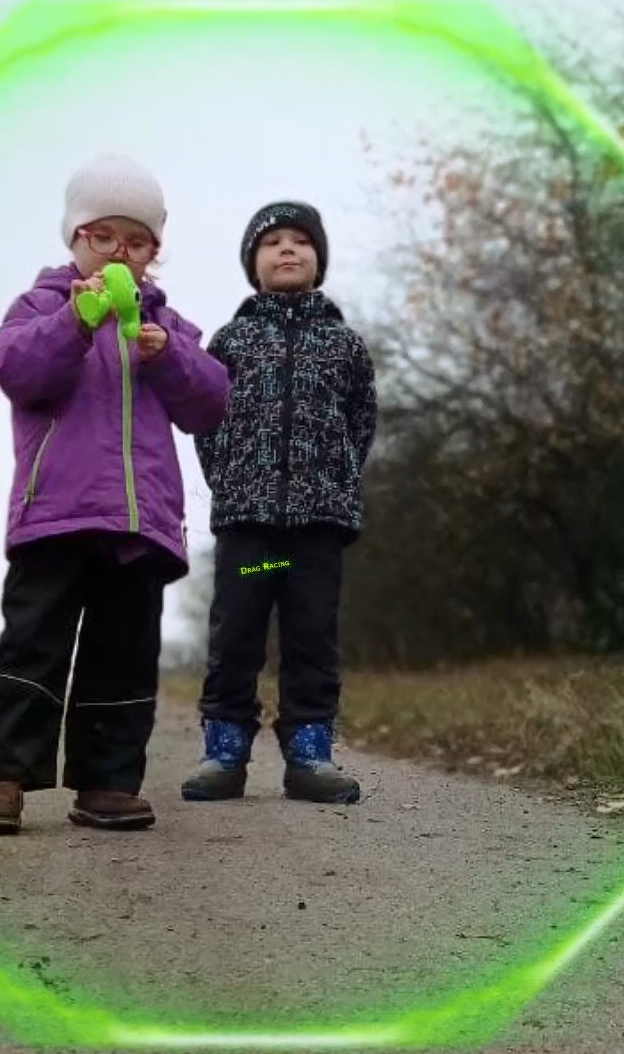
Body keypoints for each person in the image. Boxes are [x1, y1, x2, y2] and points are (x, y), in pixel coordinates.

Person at [0, 153, 231, 834]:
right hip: (55, 515)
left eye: (136, 241)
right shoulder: (43, 305)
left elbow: (210, 402)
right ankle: (3, 781)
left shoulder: (168, 326)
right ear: (76, 238)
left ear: (153, 255)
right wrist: (76, 323)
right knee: (34, 647)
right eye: (103, 235)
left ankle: (108, 784)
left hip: (140, 525)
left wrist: (166, 353)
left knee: (123, 656)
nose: (120, 251)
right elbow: (14, 367)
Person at [186, 201, 377, 804]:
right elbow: (206, 424)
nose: (287, 250)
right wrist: (236, 483)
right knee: (238, 628)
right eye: (272, 243)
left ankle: (309, 753)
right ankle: (225, 751)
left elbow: (360, 423)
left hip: (316, 531)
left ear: (318, 260)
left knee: (310, 632)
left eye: (300, 241)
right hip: (252, 531)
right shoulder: (231, 340)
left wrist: (334, 480)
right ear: (253, 264)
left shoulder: (345, 345)